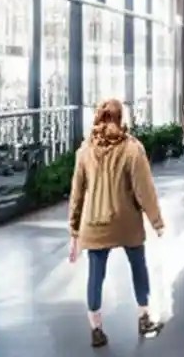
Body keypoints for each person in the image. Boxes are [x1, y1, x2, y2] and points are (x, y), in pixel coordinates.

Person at [68, 99, 166, 347]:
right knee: (138, 267)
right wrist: (156, 221)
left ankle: (96, 329)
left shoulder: (84, 151)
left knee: (95, 274)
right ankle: (144, 317)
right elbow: (144, 190)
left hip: (94, 223)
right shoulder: (133, 149)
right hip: (126, 221)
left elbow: (77, 194)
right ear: (120, 118)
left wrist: (74, 231)